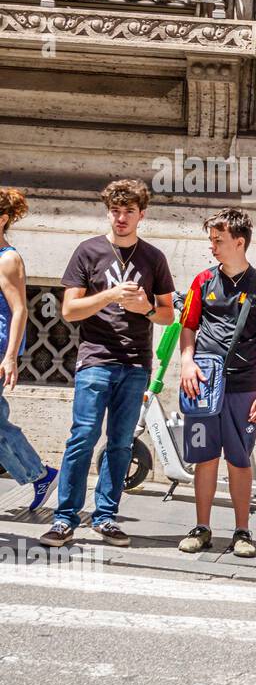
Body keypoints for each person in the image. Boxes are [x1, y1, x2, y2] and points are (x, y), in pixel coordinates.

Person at [39, 180, 176, 549]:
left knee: (119, 444)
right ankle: (65, 518)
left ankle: (106, 517)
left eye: (129, 211)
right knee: (82, 437)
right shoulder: (89, 251)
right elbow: (69, 310)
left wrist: (144, 308)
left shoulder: (154, 258)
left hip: (135, 364)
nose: (121, 217)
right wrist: (112, 295)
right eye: (115, 210)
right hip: (95, 359)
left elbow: (168, 315)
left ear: (141, 215)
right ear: (108, 212)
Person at [174, 208, 256, 557]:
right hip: (202, 383)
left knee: (239, 459)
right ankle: (202, 527)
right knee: (204, 458)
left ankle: (242, 531)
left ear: (239, 241)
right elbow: (187, 326)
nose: (213, 247)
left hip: (243, 386)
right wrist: (186, 362)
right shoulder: (201, 282)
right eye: (211, 241)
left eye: (218, 240)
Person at [0, 188, 58, 513]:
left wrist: (10, 357)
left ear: (3, 218)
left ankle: (39, 474)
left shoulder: (8, 258)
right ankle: (40, 474)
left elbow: (20, 310)